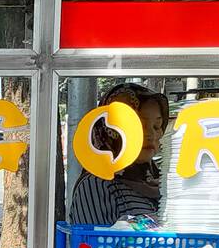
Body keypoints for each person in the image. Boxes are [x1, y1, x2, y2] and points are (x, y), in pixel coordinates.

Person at [67, 82, 170, 227]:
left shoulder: (162, 182)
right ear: (113, 130)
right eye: (139, 125)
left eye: (157, 126)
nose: (151, 134)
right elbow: (91, 246)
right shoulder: (98, 185)